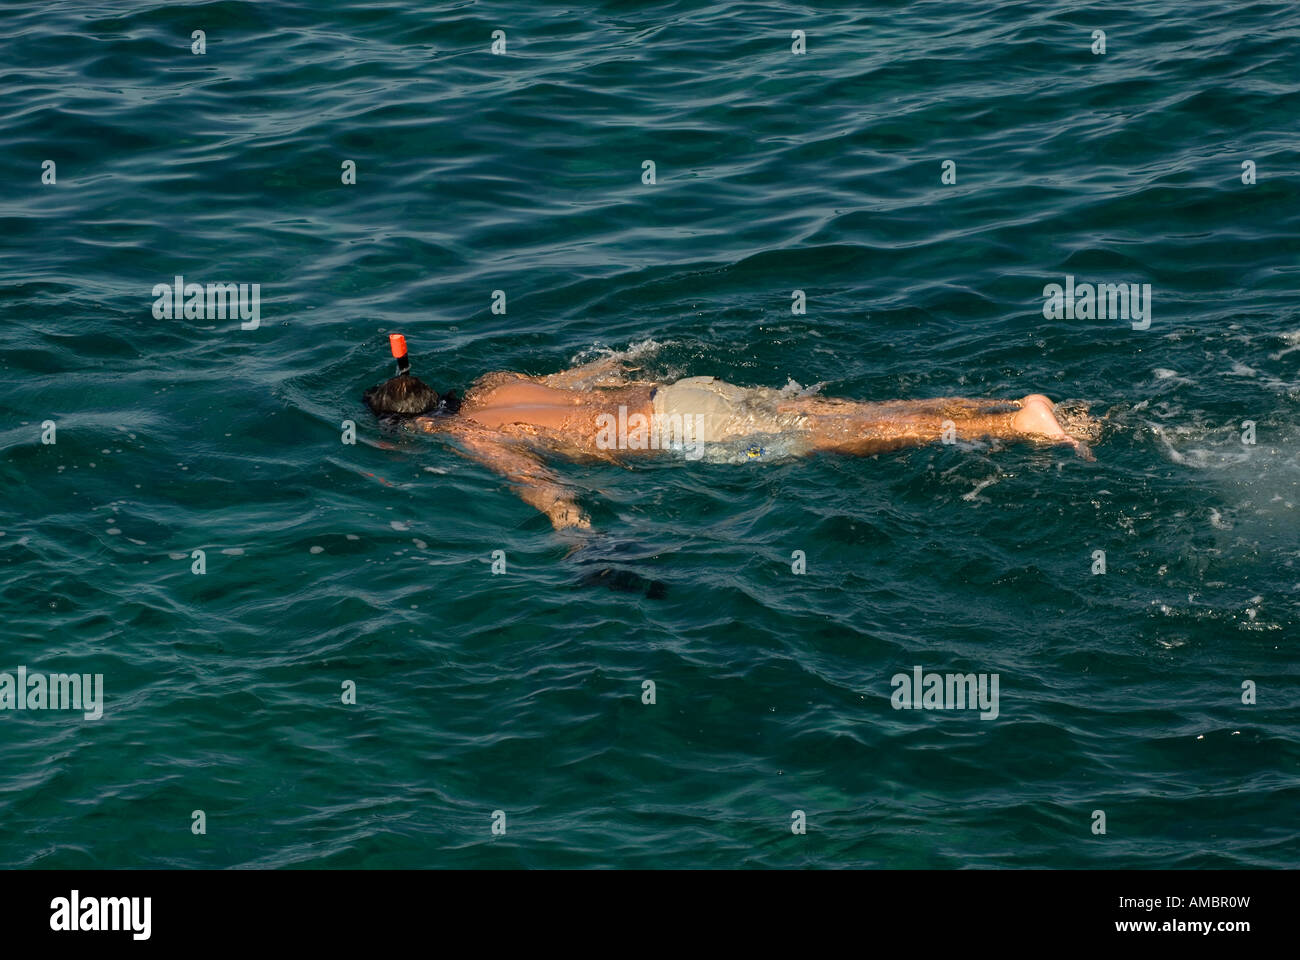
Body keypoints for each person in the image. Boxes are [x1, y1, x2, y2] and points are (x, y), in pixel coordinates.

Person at [363, 335, 1099, 530]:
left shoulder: (467, 437)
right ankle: (1019, 407)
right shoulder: (493, 384)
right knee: (846, 410)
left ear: (411, 428)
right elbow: (592, 373)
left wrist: (578, 535)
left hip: (678, 425)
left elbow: (541, 484)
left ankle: (1016, 426)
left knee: (833, 438)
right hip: (679, 391)